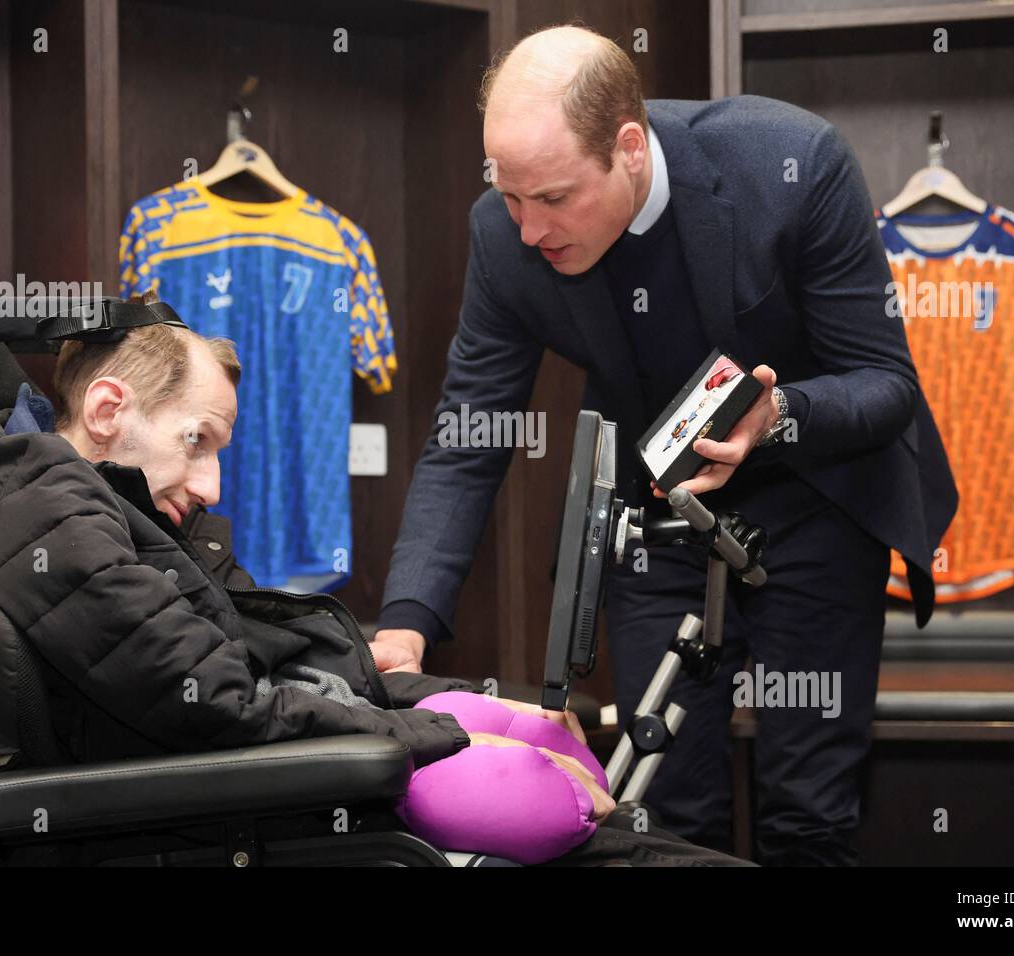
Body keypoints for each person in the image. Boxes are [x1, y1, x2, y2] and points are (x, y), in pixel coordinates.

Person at [372, 25, 958, 864]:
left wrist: (777, 414)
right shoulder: (505, 237)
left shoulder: (790, 166)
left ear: (630, 149)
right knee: (664, 805)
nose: (530, 228)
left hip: (822, 498)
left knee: (809, 809)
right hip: (656, 520)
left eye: (556, 198)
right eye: (510, 194)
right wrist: (406, 623)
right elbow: (470, 433)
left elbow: (885, 383)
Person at [0, 297, 744, 866]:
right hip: (241, 817)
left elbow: (259, 660)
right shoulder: (59, 521)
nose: (213, 485)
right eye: (198, 441)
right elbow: (223, 708)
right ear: (109, 411)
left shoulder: (108, 515)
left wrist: (473, 703)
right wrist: (451, 737)